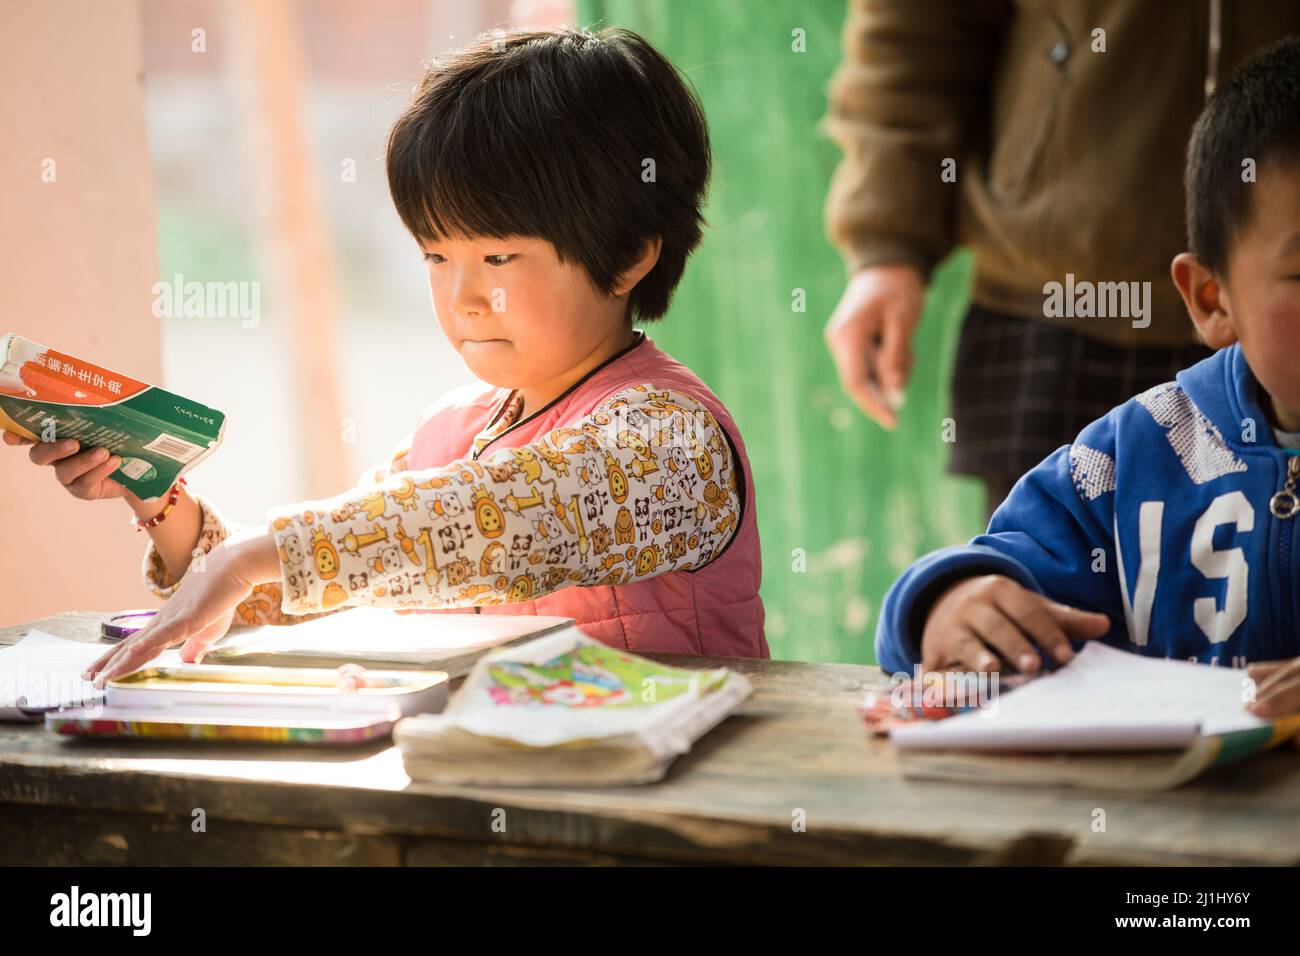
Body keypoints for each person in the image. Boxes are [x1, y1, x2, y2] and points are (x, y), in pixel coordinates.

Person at [5, 27, 767, 683]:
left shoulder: (674, 442)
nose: (462, 296)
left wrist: (250, 559)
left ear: (630, 253)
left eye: (498, 257)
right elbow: (298, 586)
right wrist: (154, 488)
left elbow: (501, 517)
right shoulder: (451, 432)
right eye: (437, 256)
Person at [873, 38, 1300, 720]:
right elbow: (1011, 566)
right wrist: (949, 602)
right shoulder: (1134, 458)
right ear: (1213, 300)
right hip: (1160, 820)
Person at [821, 0, 1300, 523]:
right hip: (1052, 297)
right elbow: (917, 22)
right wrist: (889, 242)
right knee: (1034, 584)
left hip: (1278, 310)